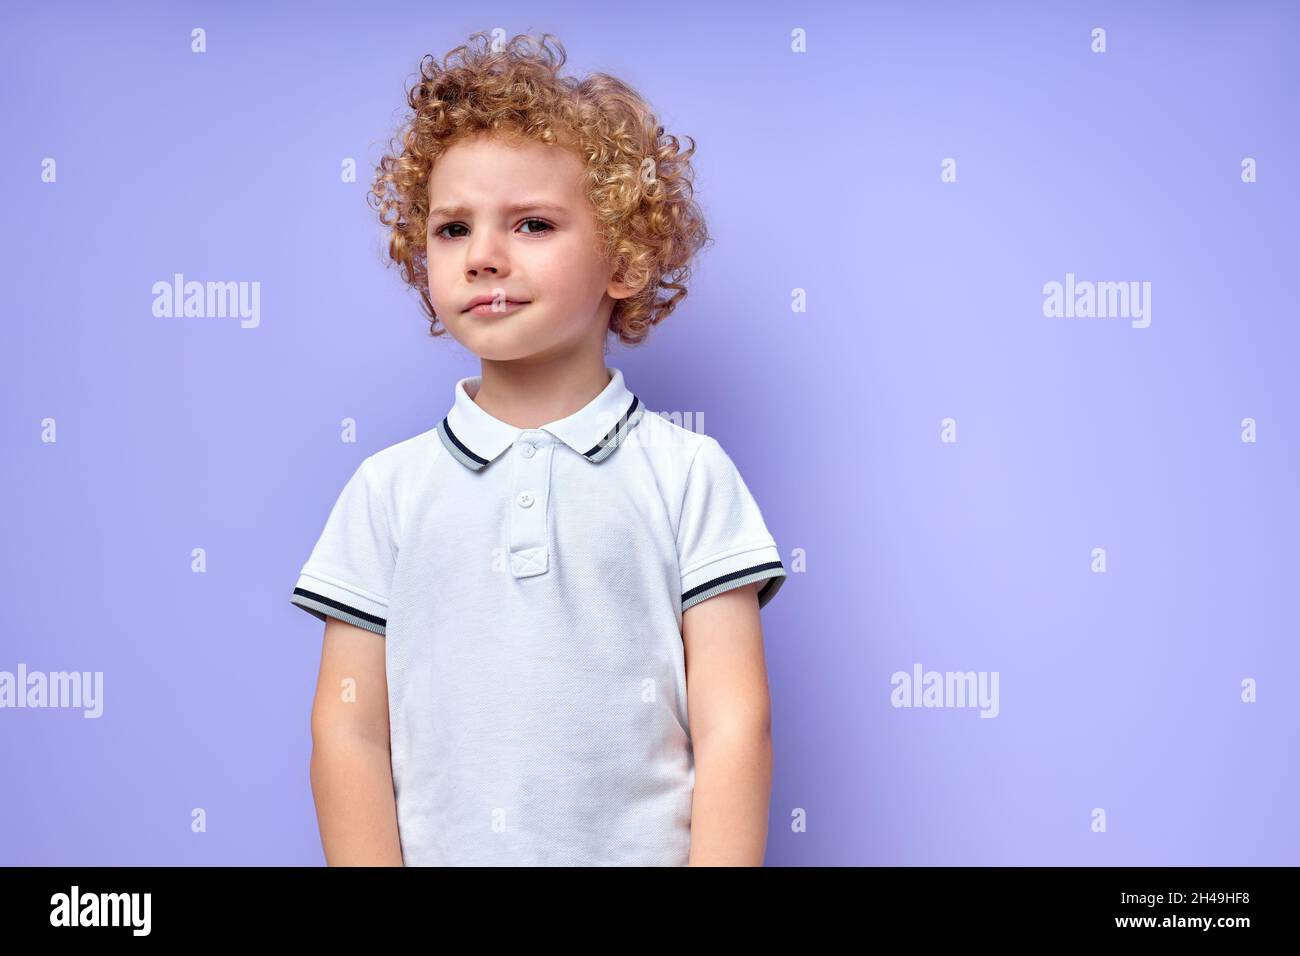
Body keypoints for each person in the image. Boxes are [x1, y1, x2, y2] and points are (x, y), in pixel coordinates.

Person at [290, 31, 787, 866]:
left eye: (530, 223)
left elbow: (736, 726)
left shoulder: (688, 475)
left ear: (623, 258)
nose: (484, 256)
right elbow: (348, 731)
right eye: (453, 229)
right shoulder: (387, 490)